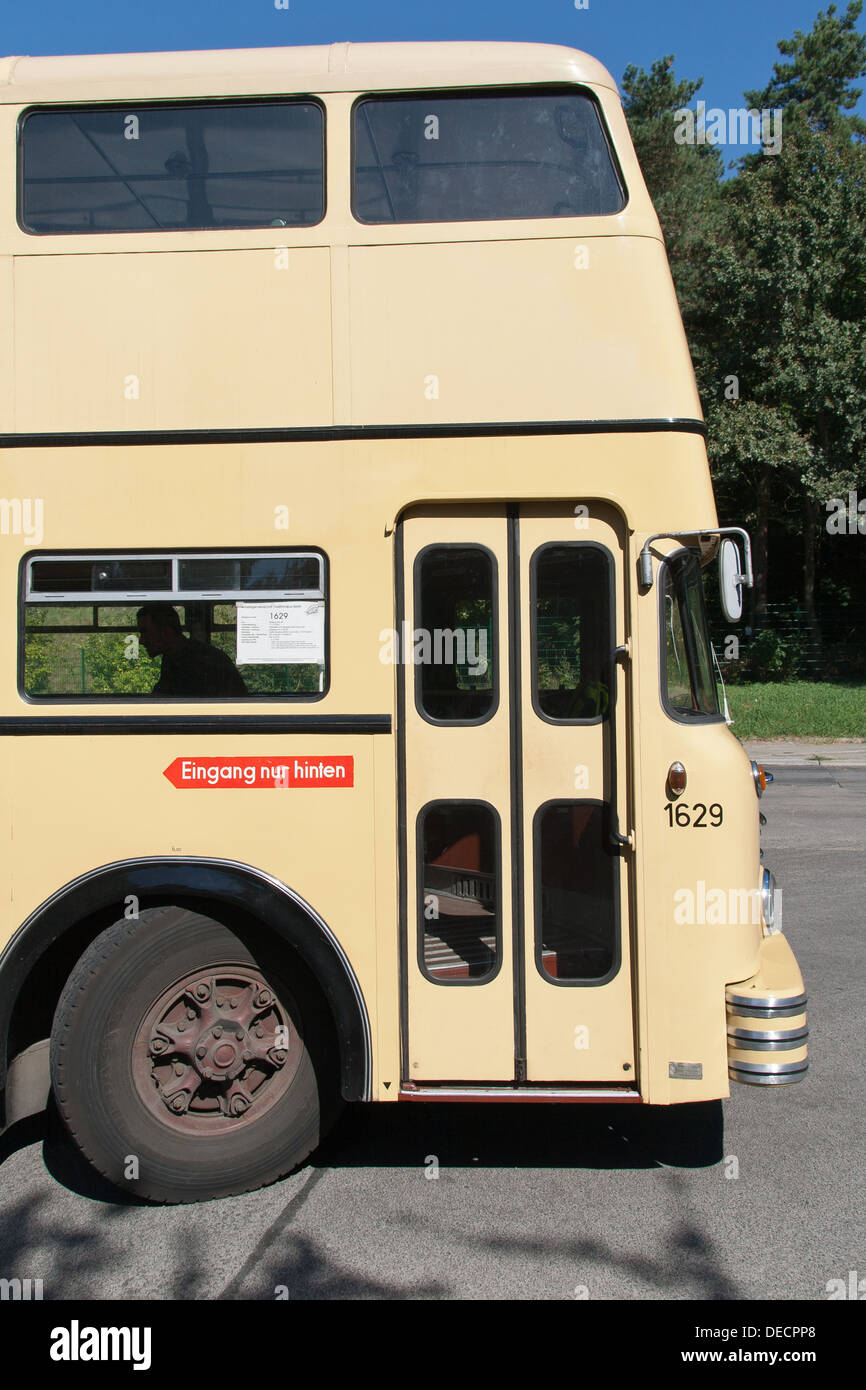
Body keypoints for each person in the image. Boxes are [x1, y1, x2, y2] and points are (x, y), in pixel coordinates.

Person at [136, 603, 247, 698]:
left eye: (145, 632)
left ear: (165, 631)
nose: (141, 641)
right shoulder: (173, 658)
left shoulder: (198, 661)